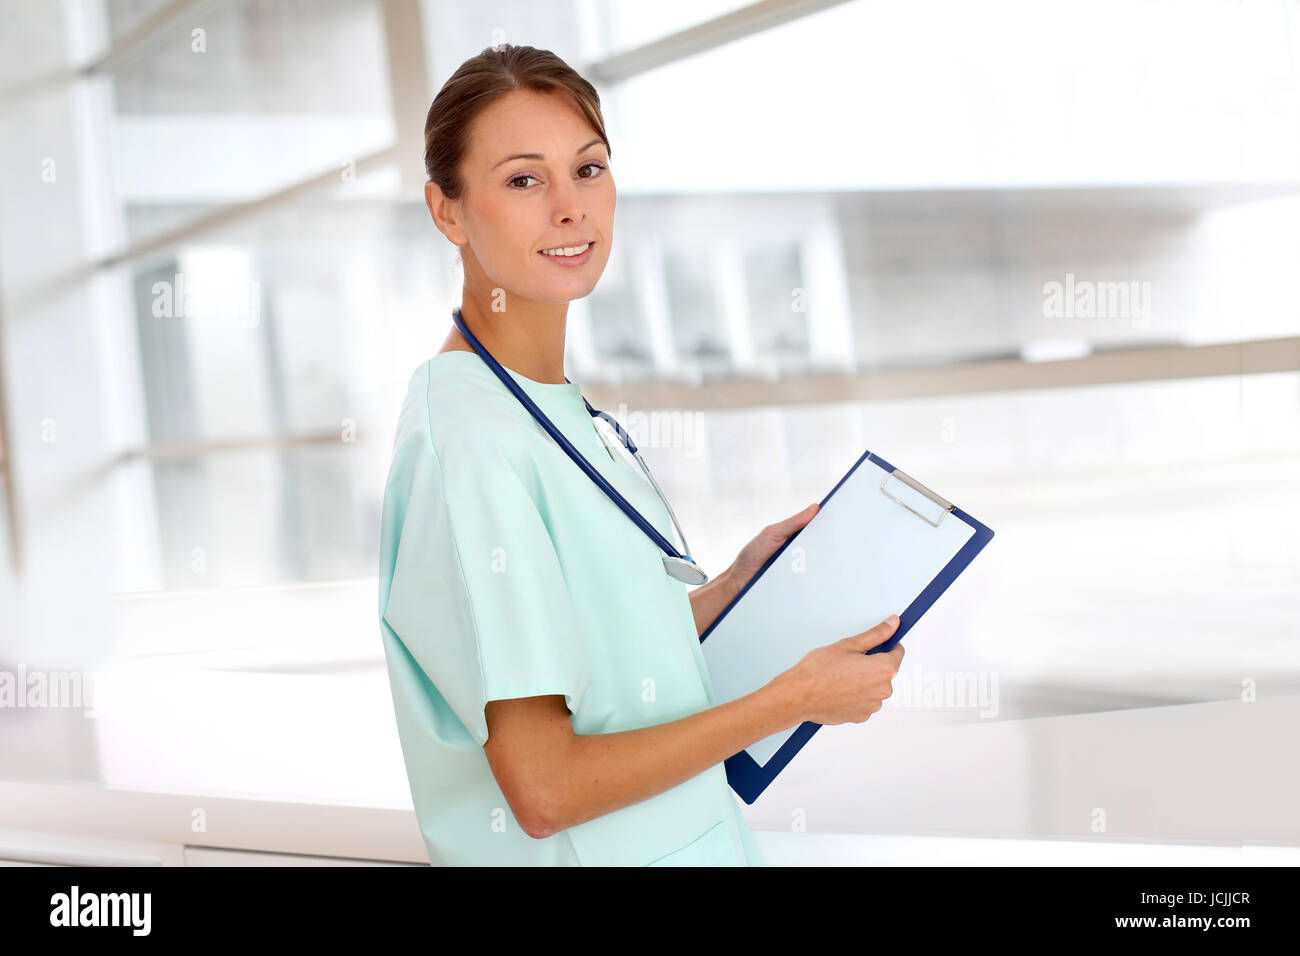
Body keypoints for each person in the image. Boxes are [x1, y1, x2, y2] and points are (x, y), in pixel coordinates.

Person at [377, 43, 905, 866]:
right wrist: (791, 701)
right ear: (447, 211)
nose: (569, 208)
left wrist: (734, 585)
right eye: (523, 179)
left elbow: (593, 666)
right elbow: (544, 788)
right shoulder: (471, 445)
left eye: (588, 169)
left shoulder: (549, 403)